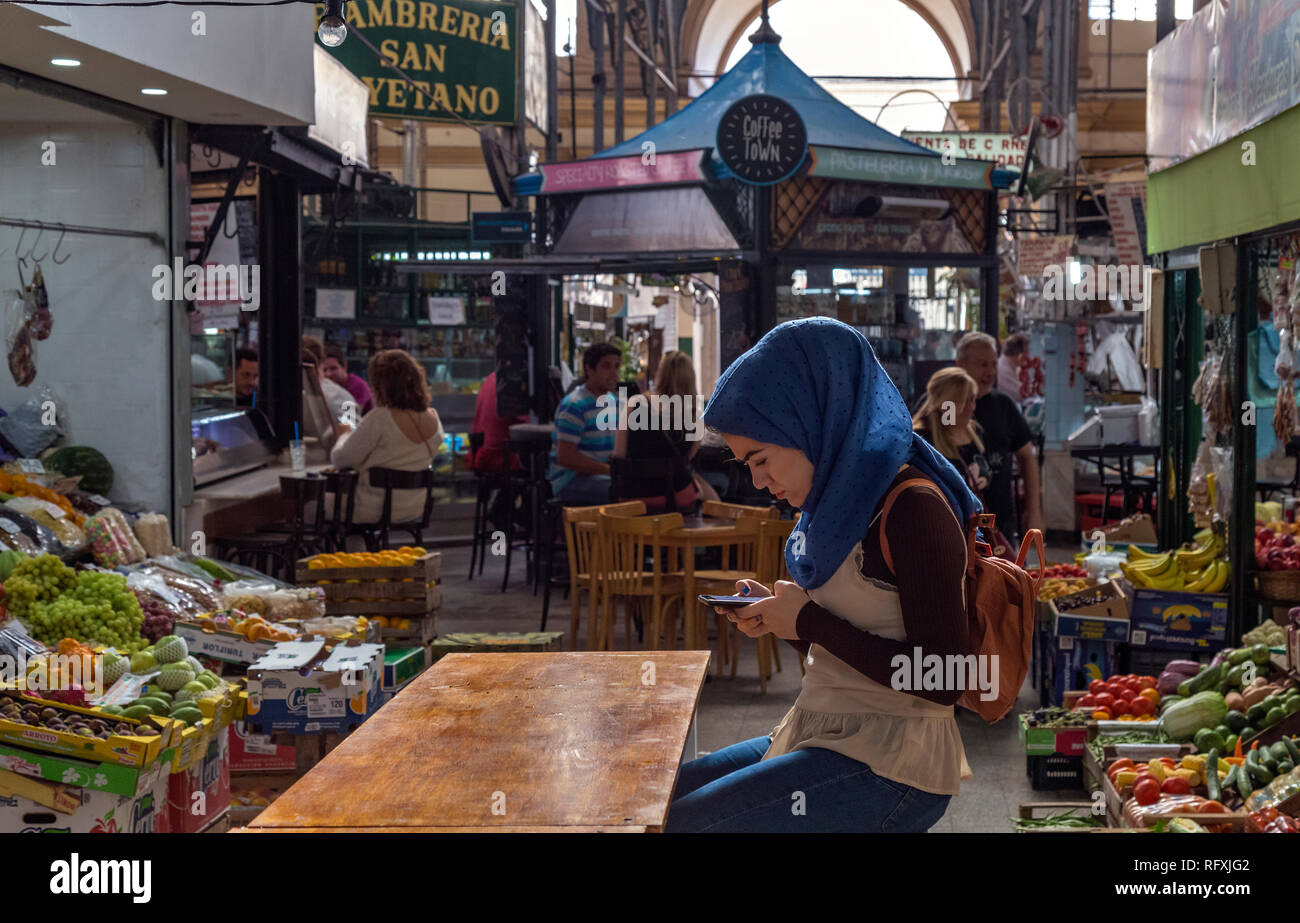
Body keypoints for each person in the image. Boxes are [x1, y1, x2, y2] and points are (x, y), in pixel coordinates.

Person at [665, 317, 981, 833]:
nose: (758, 481)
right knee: (654, 802)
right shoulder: (831, 501)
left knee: (681, 825)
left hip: (894, 766)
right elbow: (840, 653)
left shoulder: (912, 509)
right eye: (746, 463)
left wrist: (809, 622)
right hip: (822, 730)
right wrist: (782, 618)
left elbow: (944, 679)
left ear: (814, 422)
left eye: (761, 458)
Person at [330, 349, 445, 526]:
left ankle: (342, 554)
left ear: (380, 385)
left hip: (370, 509)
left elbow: (340, 459)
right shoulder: (434, 417)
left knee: (309, 505)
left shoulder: (381, 417)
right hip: (413, 507)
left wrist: (345, 435)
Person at [955, 331, 1042, 541]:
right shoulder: (942, 405)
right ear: (960, 364)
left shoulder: (1004, 405)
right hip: (953, 523)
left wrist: (1034, 512)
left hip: (1000, 526)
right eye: (983, 365)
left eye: (994, 364)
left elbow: (1026, 457)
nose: (991, 372)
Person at [612, 351, 719, 511]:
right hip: (677, 496)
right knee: (714, 498)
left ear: (660, 374)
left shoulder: (635, 403)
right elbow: (686, 462)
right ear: (690, 378)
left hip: (632, 495)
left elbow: (619, 455)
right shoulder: (695, 416)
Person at [548, 342, 621, 506]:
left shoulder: (613, 402)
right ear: (589, 369)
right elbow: (566, 457)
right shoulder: (574, 405)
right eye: (606, 366)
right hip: (571, 479)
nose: (614, 373)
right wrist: (609, 470)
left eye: (616, 367)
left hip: (604, 476)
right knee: (622, 492)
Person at [912, 366, 990, 498]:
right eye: (964, 401)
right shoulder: (922, 439)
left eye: (973, 399)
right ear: (944, 403)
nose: (971, 407)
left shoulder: (973, 429)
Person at [302, 335, 355, 424]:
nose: (328, 374)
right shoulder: (338, 396)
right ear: (321, 361)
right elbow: (353, 432)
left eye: (333, 369)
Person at [322, 345, 374, 416]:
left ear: (344, 367)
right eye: (324, 370)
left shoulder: (357, 386)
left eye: (333, 368)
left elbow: (350, 418)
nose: (328, 374)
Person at [998, 333, 1030, 401]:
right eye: (1027, 352)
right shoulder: (1004, 370)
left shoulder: (1008, 365)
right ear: (1020, 354)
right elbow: (1021, 395)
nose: (1028, 356)